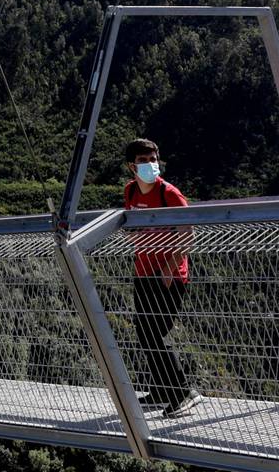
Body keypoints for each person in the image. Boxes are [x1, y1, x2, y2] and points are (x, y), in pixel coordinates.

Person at [122, 139, 202, 418]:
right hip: (143, 272)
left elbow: (188, 233)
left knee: (154, 332)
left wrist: (169, 266)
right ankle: (161, 390)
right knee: (145, 334)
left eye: (153, 158)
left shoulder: (170, 193)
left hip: (169, 276)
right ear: (132, 165)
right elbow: (132, 227)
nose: (151, 164)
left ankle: (183, 392)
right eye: (144, 160)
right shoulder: (131, 191)